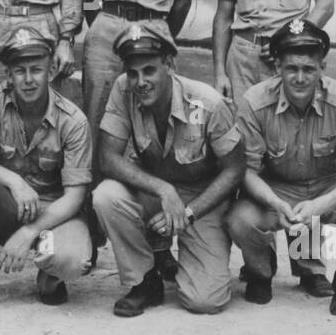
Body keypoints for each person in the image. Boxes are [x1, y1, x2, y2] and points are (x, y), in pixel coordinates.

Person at [78, 0, 195, 275]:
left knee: (159, 138)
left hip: (155, 27)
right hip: (108, 26)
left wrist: (162, 32)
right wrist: (101, 24)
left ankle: (160, 242)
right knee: (97, 132)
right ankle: (89, 236)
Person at [226, 19, 336, 316]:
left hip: (329, 185)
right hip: (278, 186)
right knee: (240, 218)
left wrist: (320, 204)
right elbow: (246, 170)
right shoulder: (254, 101)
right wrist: (275, 202)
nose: (300, 78)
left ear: (322, 67)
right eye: (291, 69)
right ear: (277, 68)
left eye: (309, 69)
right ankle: (262, 272)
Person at [92, 21, 246, 316]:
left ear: (170, 65)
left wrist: (188, 213)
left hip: (203, 198)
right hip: (157, 189)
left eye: (149, 70)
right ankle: (145, 281)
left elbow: (235, 170)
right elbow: (108, 158)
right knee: (106, 196)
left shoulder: (206, 102)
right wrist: (164, 190)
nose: (140, 82)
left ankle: (183, 255)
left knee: (205, 301)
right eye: (133, 73)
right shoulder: (123, 90)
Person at [0, 25, 94, 317]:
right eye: (19, 70)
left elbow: (75, 197)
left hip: (52, 215)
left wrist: (29, 233)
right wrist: (12, 180)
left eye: (36, 69)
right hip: (7, 206)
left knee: (72, 260)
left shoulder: (72, 120)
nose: (28, 79)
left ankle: (50, 277)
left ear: (51, 71)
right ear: (8, 75)